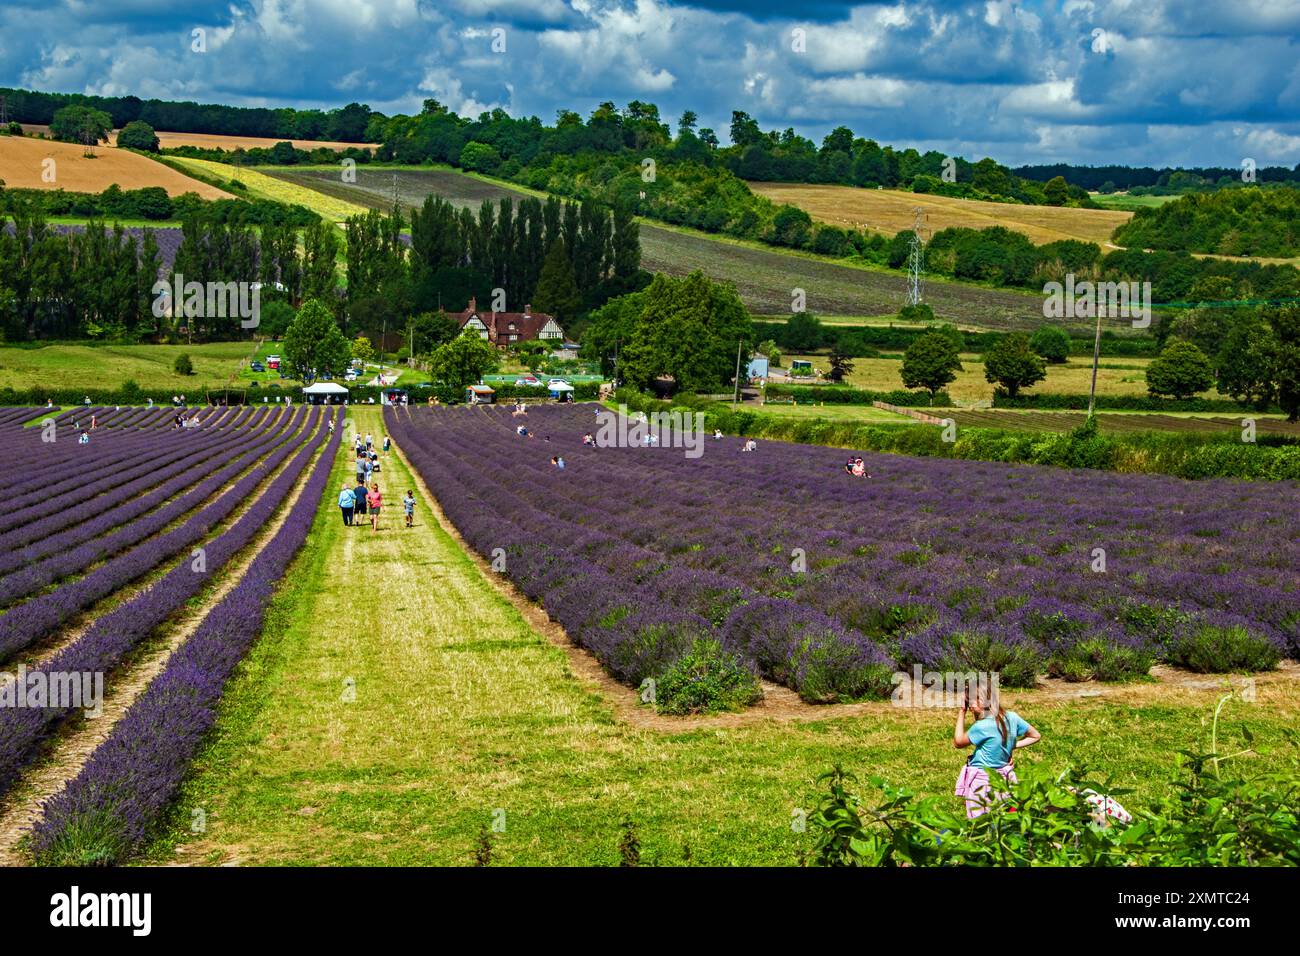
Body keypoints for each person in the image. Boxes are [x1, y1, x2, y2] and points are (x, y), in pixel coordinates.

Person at [953, 686, 1040, 819]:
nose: (969, 704)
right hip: (1005, 777)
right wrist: (1010, 746)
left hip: (982, 780)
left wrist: (961, 712)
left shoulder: (981, 726)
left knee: (980, 821)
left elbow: (958, 742)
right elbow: (1035, 736)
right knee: (1005, 817)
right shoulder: (1012, 717)